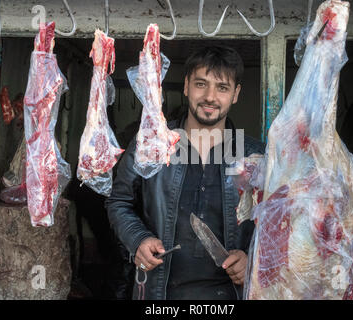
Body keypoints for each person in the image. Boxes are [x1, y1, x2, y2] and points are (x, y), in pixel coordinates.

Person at [105, 45, 265, 300]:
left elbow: (275, 224)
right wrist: (138, 239)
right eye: (201, 84)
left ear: (235, 94)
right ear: (186, 86)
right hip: (159, 293)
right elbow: (119, 201)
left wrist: (252, 258)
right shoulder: (152, 143)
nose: (210, 97)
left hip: (230, 295)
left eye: (222, 88)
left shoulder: (254, 156)